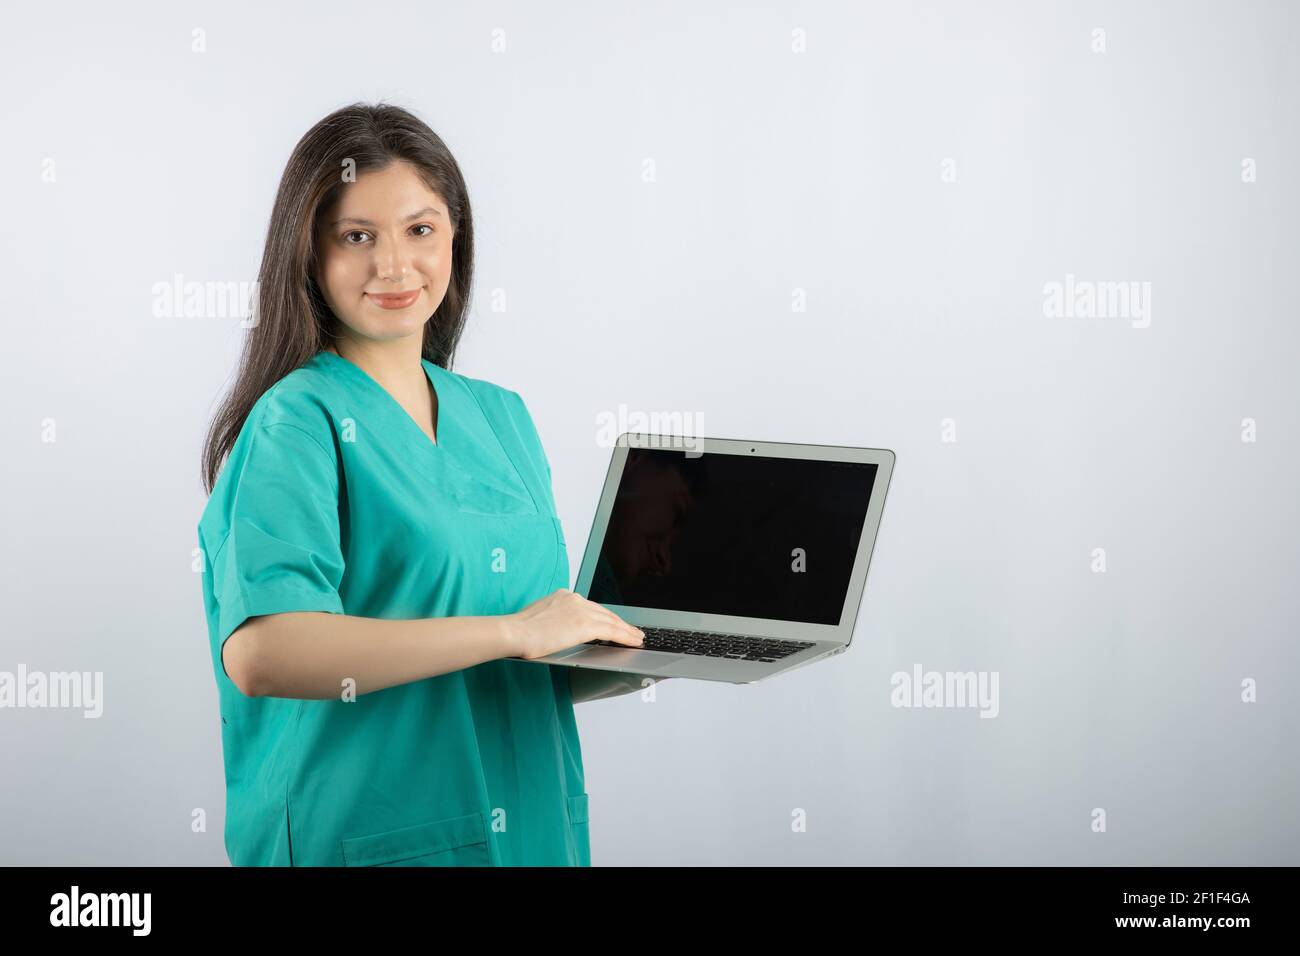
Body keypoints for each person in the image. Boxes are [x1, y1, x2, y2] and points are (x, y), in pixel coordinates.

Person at [197, 102, 658, 867]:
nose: (394, 266)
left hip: (533, 825)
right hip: (375, 830)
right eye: (357, 237)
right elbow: (263, 651)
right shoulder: (297, 422)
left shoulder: (500, 417)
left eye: (420, 229)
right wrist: (512, 633)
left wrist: (624, 653)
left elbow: (491, 660)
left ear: (455, 239)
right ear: (306, 252)